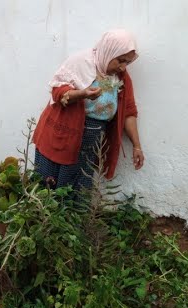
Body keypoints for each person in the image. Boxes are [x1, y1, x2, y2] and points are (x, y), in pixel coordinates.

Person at [31, 29, 143, 190]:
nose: (123, 67)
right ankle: (45, 213)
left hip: (92, 140)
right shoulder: (81, 63)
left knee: (80, 181)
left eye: (127, 62)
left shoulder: (120, 77)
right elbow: (58, 93)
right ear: (109, 51)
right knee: (51, 179)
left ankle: (72, 215)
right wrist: (81, 94)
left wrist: (137, 146)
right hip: (63, 133)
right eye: (120, 60)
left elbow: (129, 112)